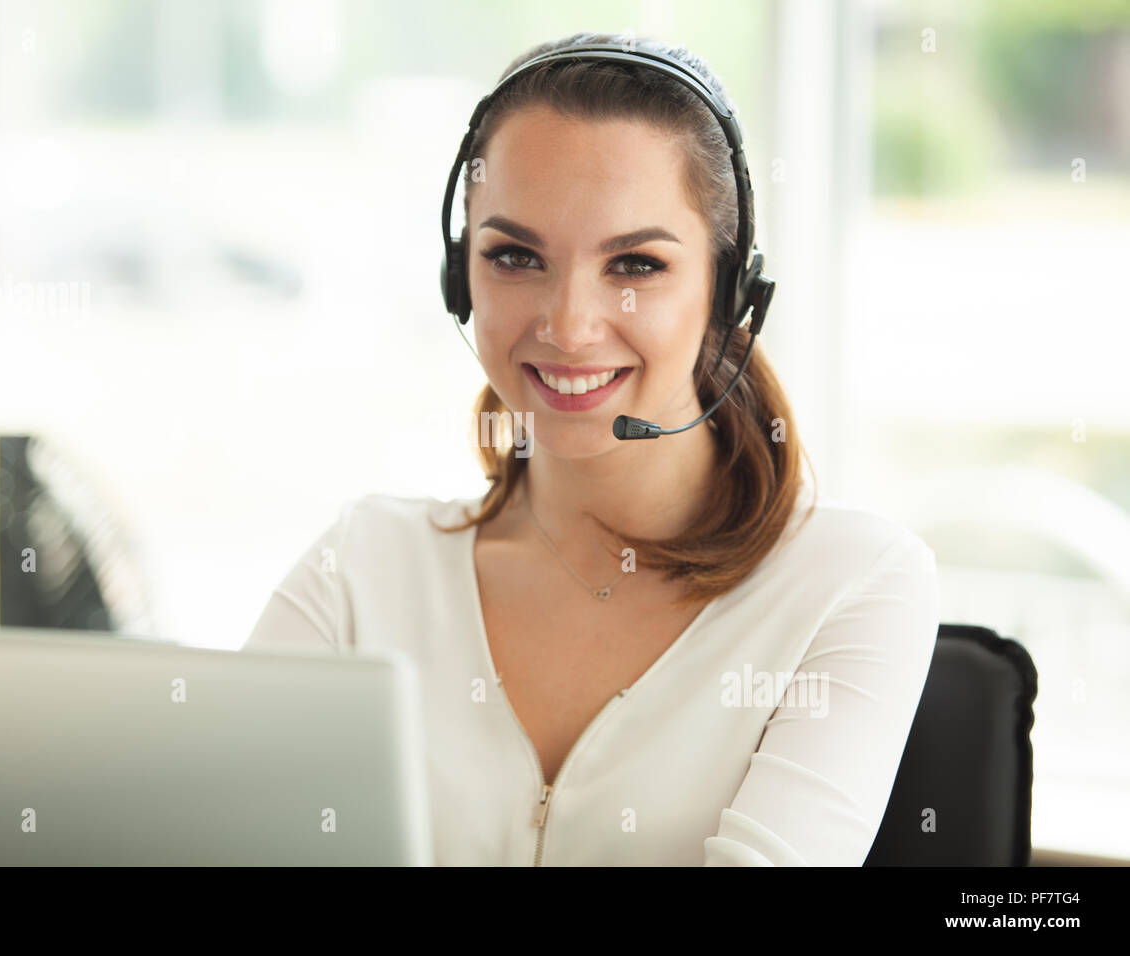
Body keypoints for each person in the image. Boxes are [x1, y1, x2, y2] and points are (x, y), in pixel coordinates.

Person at [244, 31, 939, 866]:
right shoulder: (361, 568)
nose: (568, 325)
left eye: (636, 264)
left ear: (728, 293)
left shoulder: (850, 582)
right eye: (515, 256)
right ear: (460, 277)